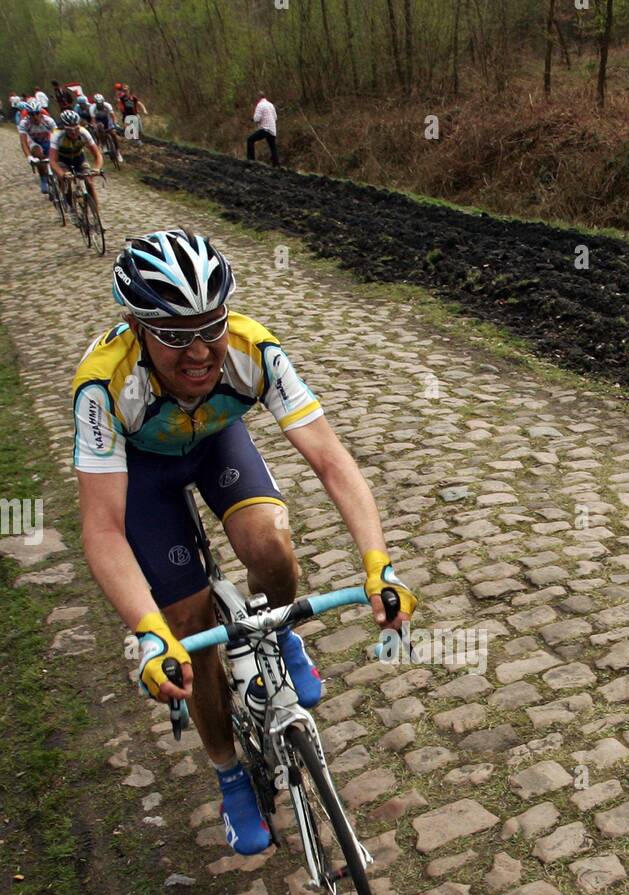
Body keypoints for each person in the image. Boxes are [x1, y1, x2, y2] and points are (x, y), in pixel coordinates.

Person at [70, 229, 417, 855]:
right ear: (136, 325)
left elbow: (332, 462)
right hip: (142, 475)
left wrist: (378, 564)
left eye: (212, 325)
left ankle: (280, 634)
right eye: (176, 335)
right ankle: (229, 775)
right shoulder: (103, 386)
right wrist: (150, 633)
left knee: (271, 548)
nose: (201, 351)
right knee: (190, 622)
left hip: (217, 446)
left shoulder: (254, 350)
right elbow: (101, 529)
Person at [49, 109, 105, 215]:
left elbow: (97, 154)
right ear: (64, 129)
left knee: (89, 182)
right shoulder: (57, 135)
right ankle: (71, 209)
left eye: (76, 128)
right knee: (67, 182)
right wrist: (62, 174)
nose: (74, 132)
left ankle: (96, 215)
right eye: (70, 130)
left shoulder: (84, 132)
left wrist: (97, 168)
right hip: (63, 160)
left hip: (79, 158)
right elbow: (52, 160)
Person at [19, 98, 56, 193]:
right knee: (38, 154)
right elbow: (23, 142)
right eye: (31, 114)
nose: (35, 117)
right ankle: (43, 178)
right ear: (28, 114)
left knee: (53, 158)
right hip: (34, 142)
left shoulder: (48, 121)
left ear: (41, 113)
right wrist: (29, 157)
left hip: (48, 141)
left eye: (37, 113)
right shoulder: (24, 123)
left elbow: (57, 137)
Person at [247, 91, 278, 166]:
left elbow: (257, 118)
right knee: (273, 147)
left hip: (265, 128)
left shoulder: (260, 105)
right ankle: (276, 165)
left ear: (258, 97)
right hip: (272, 129)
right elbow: (276, 117)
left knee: (250, 140)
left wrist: (252, 119)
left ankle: (251, 160)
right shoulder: (271, 105)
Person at [90, 93, 123, 163]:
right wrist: (94, 126)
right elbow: (93, 120)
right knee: (100, 128)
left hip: (107, 119)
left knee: (113, 134)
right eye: (98, 104)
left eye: (101, 103)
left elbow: (113, 116)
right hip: (98, 120)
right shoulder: (92, 108)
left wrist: (115, 124)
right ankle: (104, 144)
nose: (100, 105)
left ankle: (118, 152)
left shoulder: (107, 105)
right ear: (95, 103)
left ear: (103, 101)